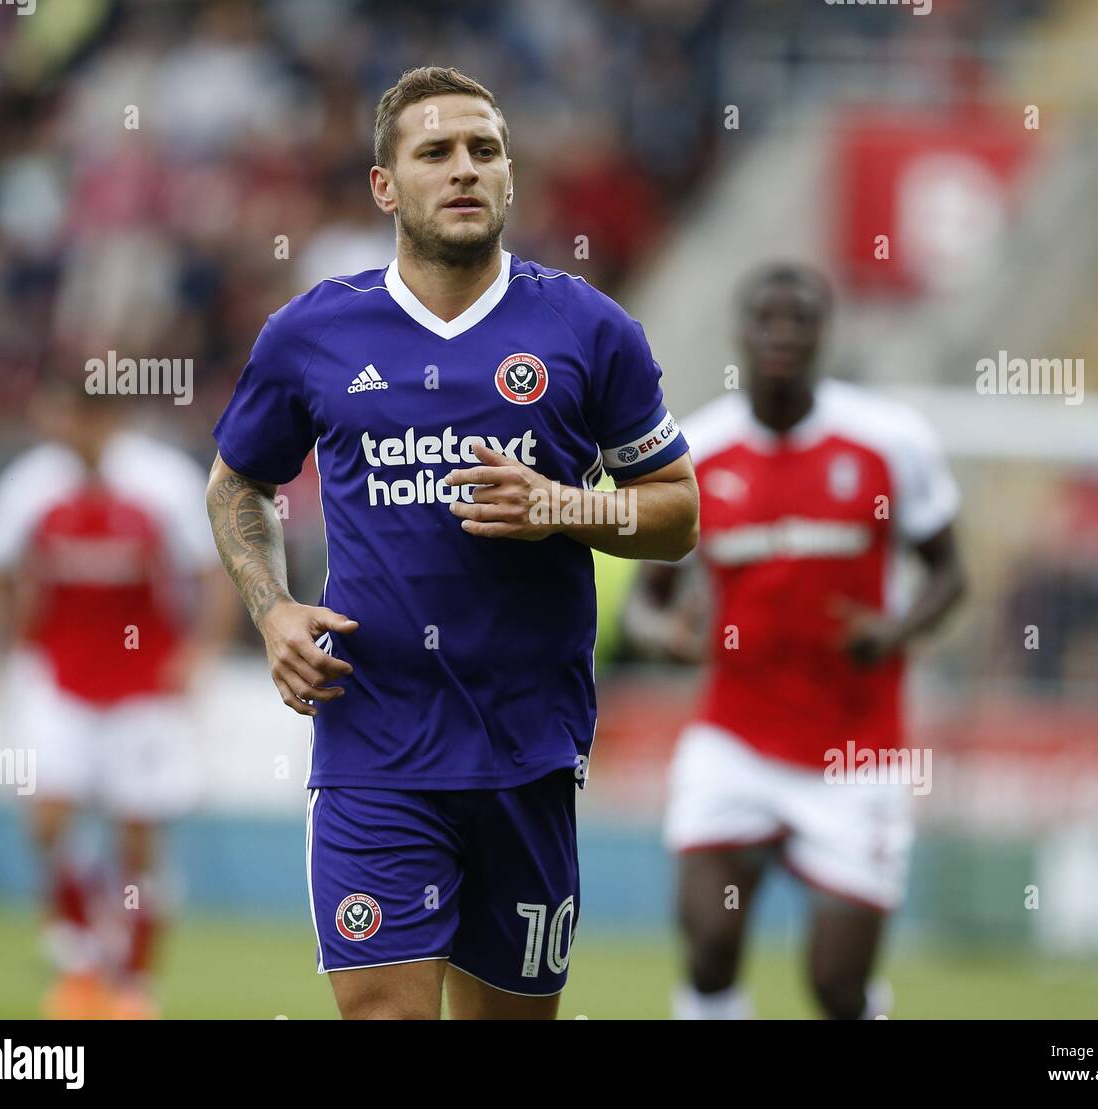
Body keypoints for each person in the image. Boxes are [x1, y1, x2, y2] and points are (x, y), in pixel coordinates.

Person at [207, 65, 699, 1020]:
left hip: (529, 746)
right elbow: (238, 486)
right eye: (435, 152)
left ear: (511, 176)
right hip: (372, 737)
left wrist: (566, 507)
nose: (465, 169)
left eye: (485, 150)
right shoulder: (312, 333)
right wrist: (270, 610)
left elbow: (677, 509)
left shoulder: (590, 330)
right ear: (386, 186)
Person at [626, 263, 965, 1019]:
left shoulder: (888, 441)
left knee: (836, 985)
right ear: (739, 332)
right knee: (710, 945)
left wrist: (898, 629)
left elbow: (950, 575)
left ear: (824, 333)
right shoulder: (697, 453)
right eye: (766, 318)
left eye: (799, 319)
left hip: (855, 748)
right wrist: (668, 637)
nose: (781, 333)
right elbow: (642, 609)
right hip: (734, 738)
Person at [0, 381, 234, 1019]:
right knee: (50, 819)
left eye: (88, 415)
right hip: (58, 676)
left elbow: (210, 571)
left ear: (112, 417)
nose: (76, 427)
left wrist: (199, 653)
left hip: (142, 686)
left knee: (136, 835)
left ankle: (133, 978)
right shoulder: (33, 483)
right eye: (66, 414)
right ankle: (83, 956)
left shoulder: (160, 481)